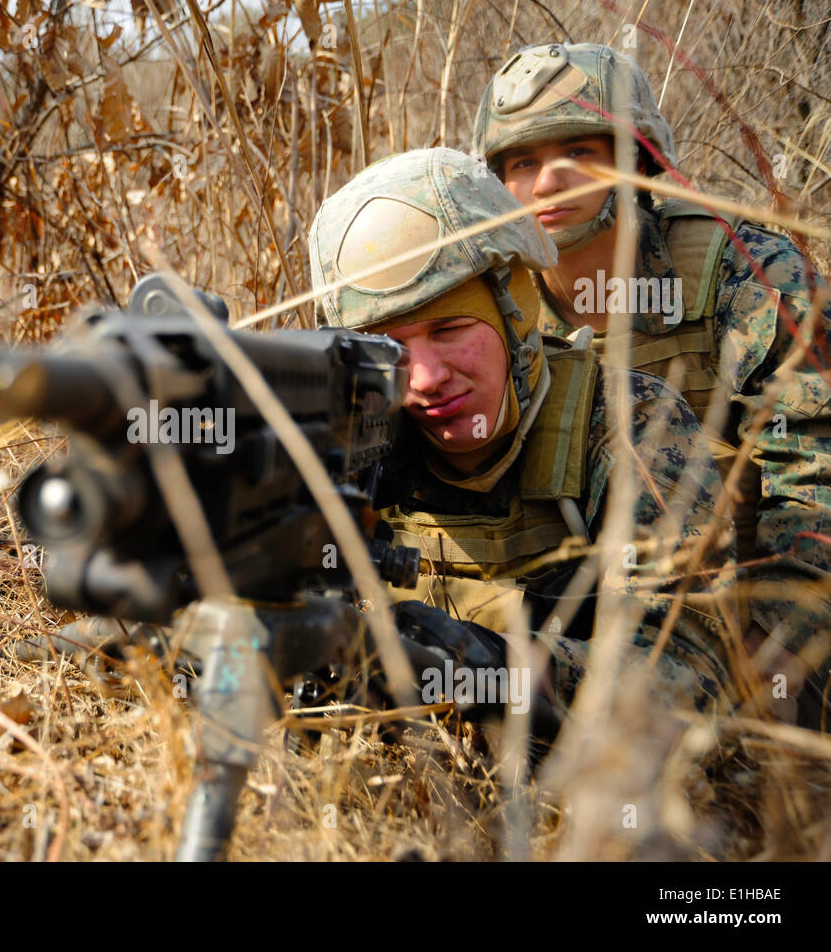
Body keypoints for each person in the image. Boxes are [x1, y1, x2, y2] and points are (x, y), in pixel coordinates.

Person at [473, 43, 831, 728]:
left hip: (742, 608)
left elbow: (813, 455)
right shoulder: (488, 298)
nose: (548, 181)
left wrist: (783, 629)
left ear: (641, 161)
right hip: (573, 609)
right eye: (522, 162)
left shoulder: (743, 272)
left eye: (581, 150)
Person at [307, 146, 734, 721]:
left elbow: (690, 672)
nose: (426, 379)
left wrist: (497, 672)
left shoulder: (629, 423)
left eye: (452, 329)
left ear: (519, 312)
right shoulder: (354, 442)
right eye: (392, 350)